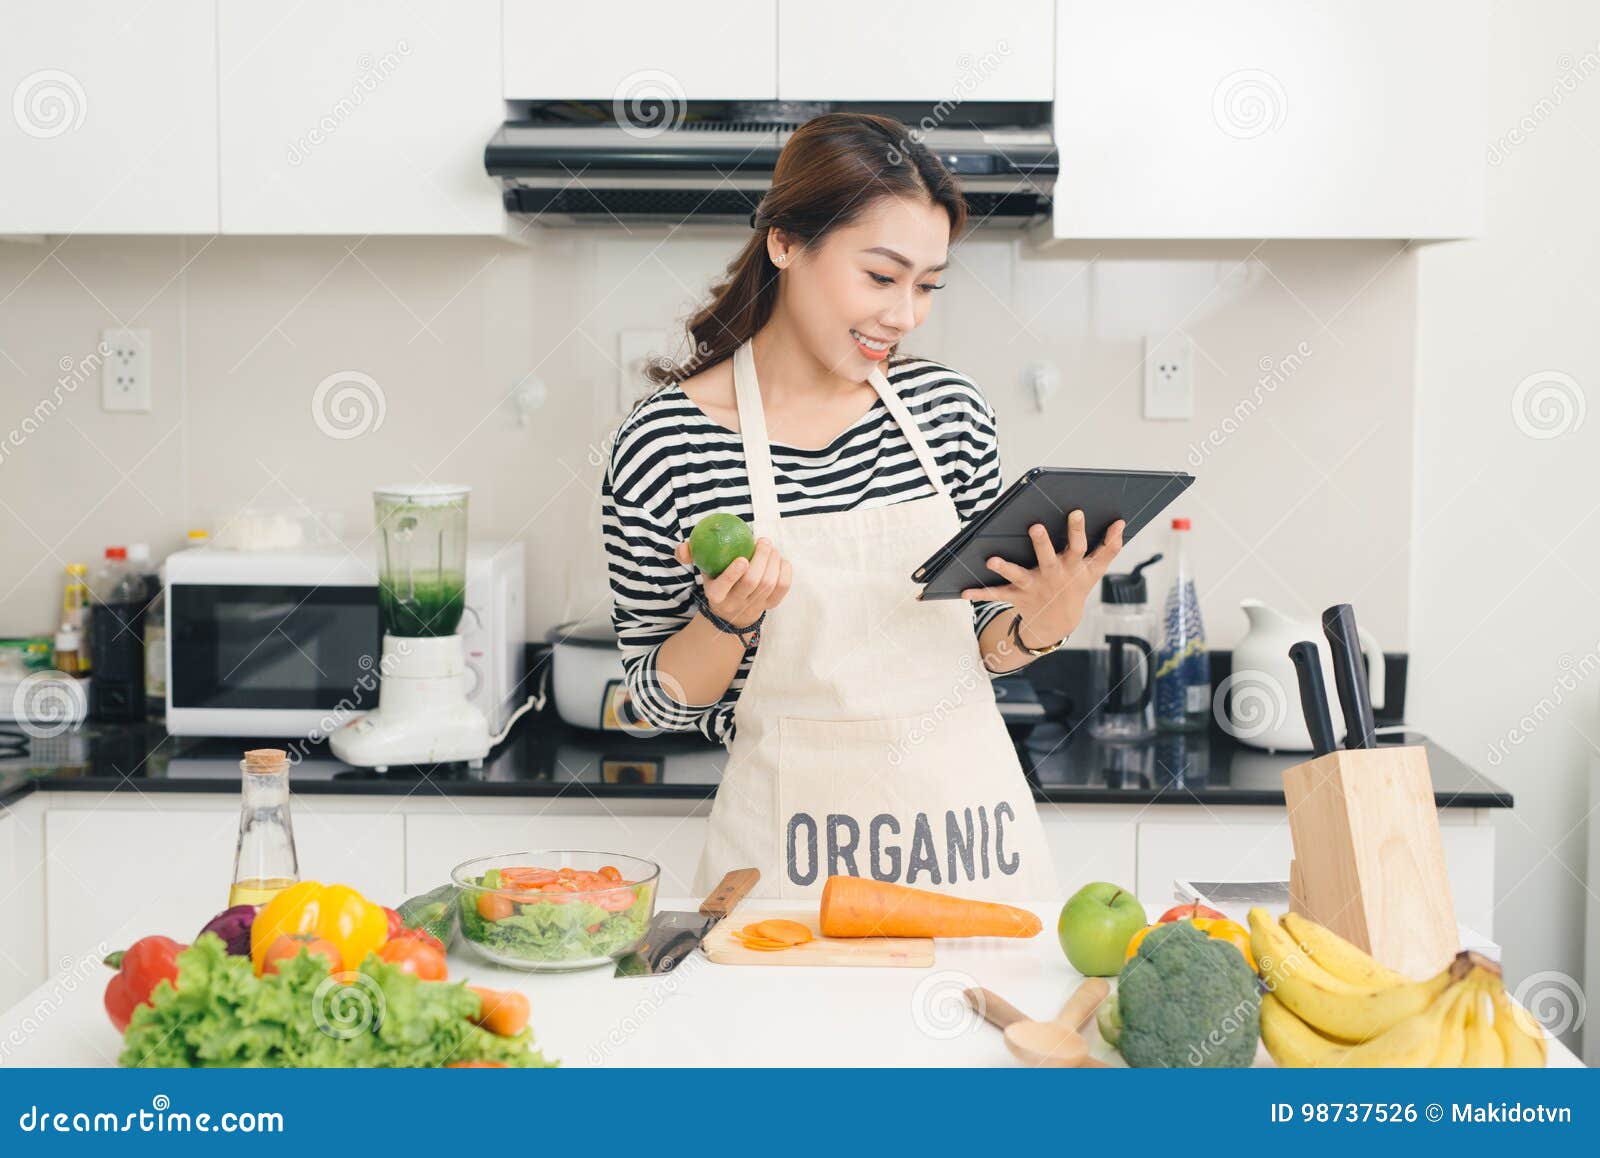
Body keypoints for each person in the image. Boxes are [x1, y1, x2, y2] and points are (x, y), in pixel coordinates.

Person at [602, 113, 1123, 900]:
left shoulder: (949, 413)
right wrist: (725, 622)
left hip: (971, 864)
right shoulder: (665, 443)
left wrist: (1047, 617)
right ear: (784, 242)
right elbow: (654, 704)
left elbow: (987, 640)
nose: (905, 315)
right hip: (786, 883)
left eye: (927, 286)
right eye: (881, 277)